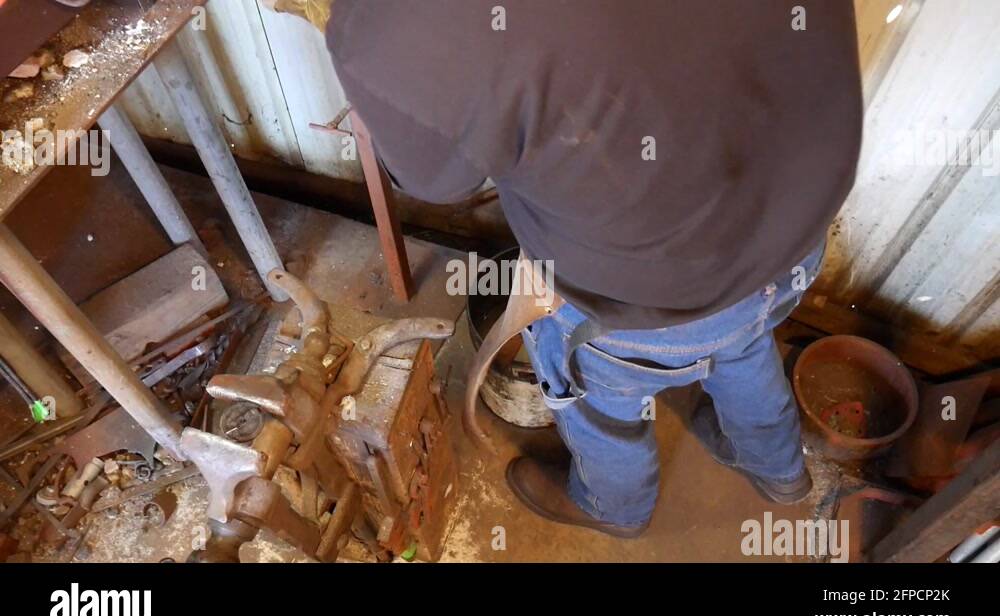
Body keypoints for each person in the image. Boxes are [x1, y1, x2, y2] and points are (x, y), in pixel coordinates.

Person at [324, 1, 863, 537]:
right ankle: (778, 468)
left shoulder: (382, 25)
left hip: (649, 295)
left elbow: (440, 183)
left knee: (601, 403)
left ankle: (613, 507)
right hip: (793, 232)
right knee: (741, 336)